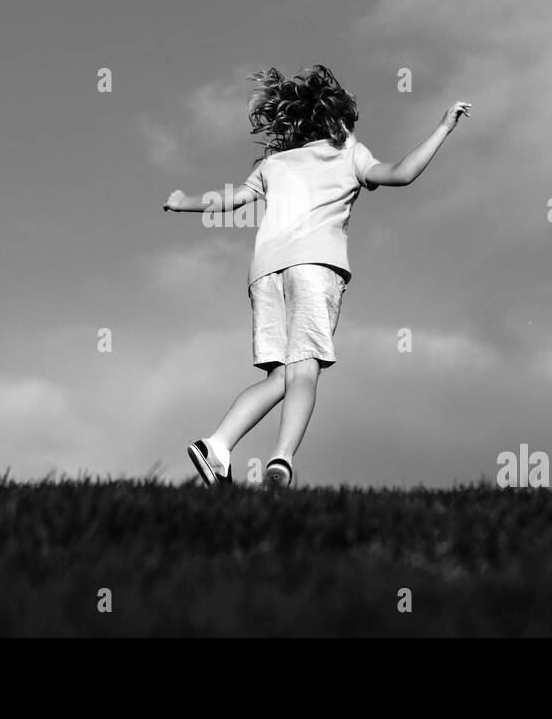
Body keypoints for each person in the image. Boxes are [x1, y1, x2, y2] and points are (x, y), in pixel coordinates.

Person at [163, 63, 471, 488]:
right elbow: (401, 173)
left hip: (265, 274)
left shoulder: (276, 164)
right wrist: (443, 128)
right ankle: (281, 461)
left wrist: (183, 202)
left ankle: (216, 446)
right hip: (314, 267)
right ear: (338, 121)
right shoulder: (348, 152)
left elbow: (232, 199)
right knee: (305, 372)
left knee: (279, 378)